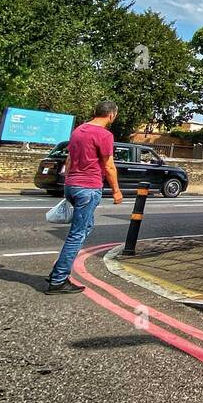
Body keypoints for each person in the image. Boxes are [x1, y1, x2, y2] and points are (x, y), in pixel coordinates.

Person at [46, 101, 122, 293]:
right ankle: (58, 279)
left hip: (72, 185)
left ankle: (59, 268)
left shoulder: (79, 130)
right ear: (112, 115)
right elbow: (108, 166)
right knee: (77, 234)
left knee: (85, 227)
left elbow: (69, 159)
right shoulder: (104, 135)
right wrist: (116, 190)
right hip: (88, 187)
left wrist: (68, 183)